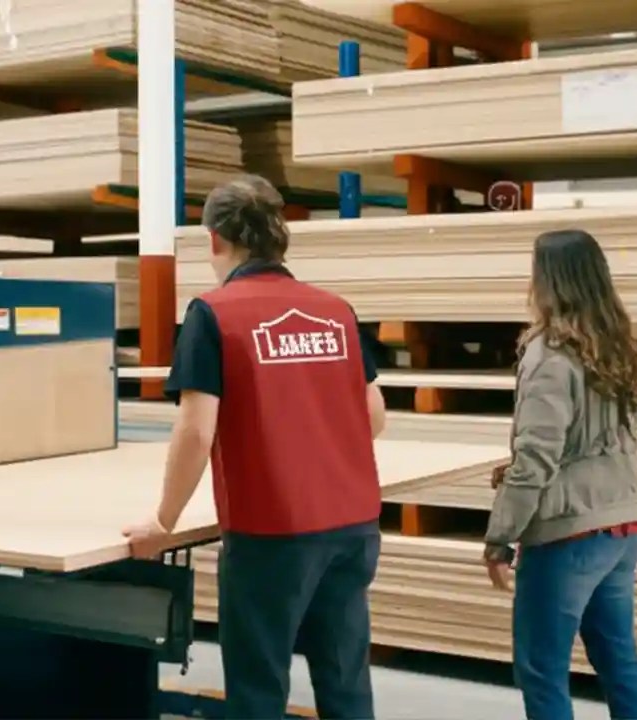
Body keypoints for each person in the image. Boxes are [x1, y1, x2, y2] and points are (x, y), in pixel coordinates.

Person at [123, 174, 387, 720]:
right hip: (352, 525)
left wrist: (163, 522)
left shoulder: (215, 314)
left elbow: (197, 432)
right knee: (345, 681)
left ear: (215, 240)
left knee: (259, 688)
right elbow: (373, 417)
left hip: (273, 536)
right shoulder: (335, 310)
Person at [483, 229, 637, 720]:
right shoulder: (616, 346)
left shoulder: (549, 353)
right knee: (620, 663)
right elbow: (600, 443)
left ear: (548, 281)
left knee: (541, 671)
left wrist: (500, 537)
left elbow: (537, 457)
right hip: (623, 528)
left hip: (568, 537)